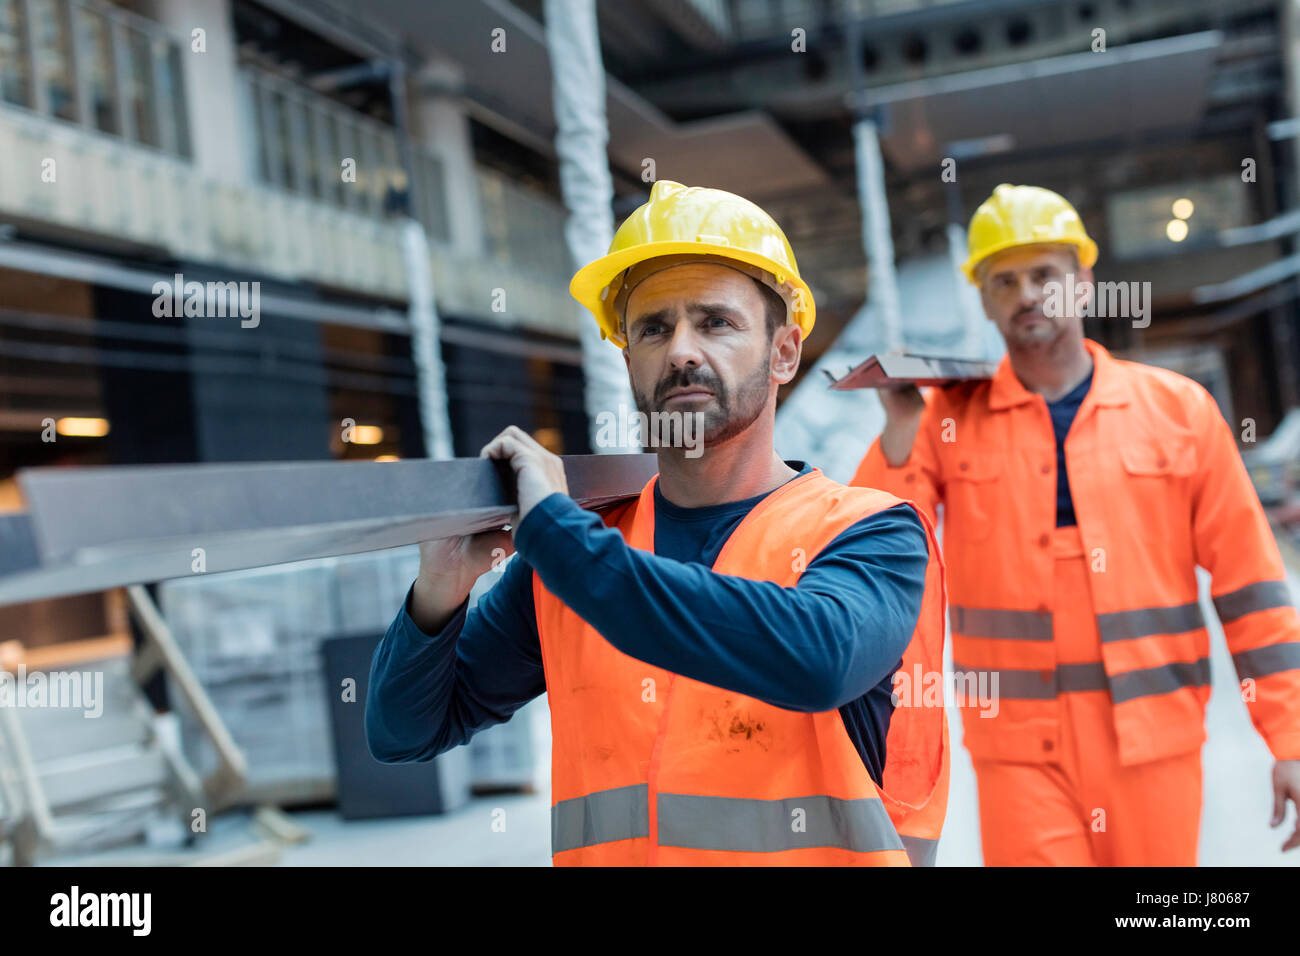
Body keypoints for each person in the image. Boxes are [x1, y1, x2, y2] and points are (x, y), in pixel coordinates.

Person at [366, 179, 949, 866]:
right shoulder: (579, 555)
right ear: (628, 361)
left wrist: (555, 532)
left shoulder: (870, 534)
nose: (680, 352)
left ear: (784, 353)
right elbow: (404, 731)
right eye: (653, 328)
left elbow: (817, 661)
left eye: (715, 322)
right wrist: (441, 587)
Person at [853, 182, 1300, 865]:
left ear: (1083, 282)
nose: (1026, 293)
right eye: (1004, 280)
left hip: (1155, 741)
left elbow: (1252, 584)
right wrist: (901, 433)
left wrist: (1291, 738)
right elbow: (880, 543)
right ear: (982, 298)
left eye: (1044, 274)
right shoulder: (947, 419)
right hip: (1017, 753)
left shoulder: (1179, 412)